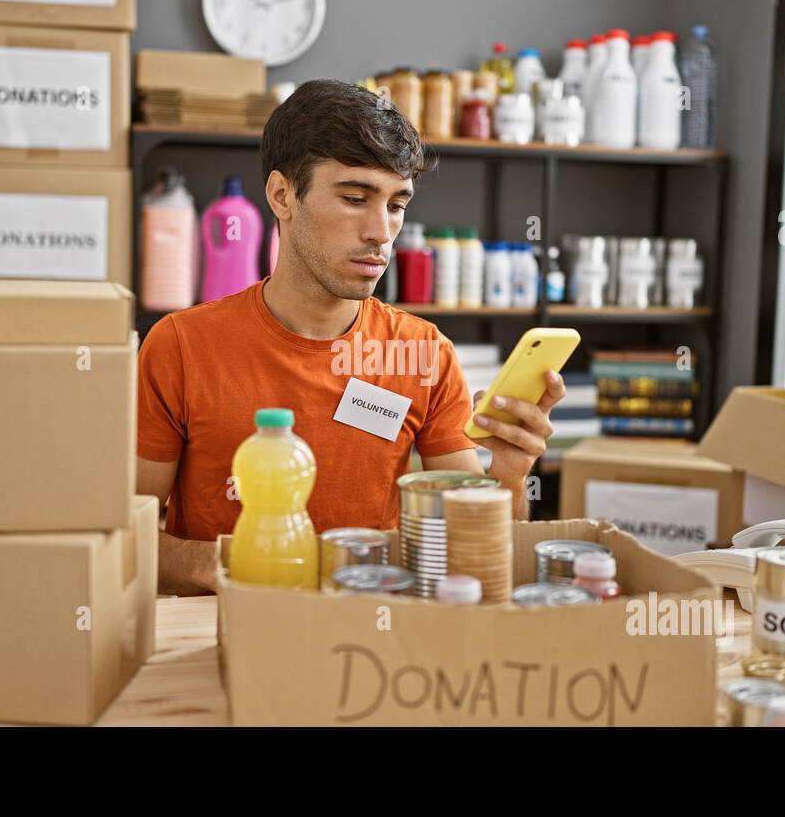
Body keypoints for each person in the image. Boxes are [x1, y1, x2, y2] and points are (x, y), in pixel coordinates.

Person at [137, 79, 564, 594]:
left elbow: (476, 548)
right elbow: (128, 540)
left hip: (373, 633)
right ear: (282, 195)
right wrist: (242, 563)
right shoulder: (180, 346)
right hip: (226, 632)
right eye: (355, 198)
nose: (381, 232)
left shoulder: (424, 352)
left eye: (396, 205)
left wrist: (513, 474)